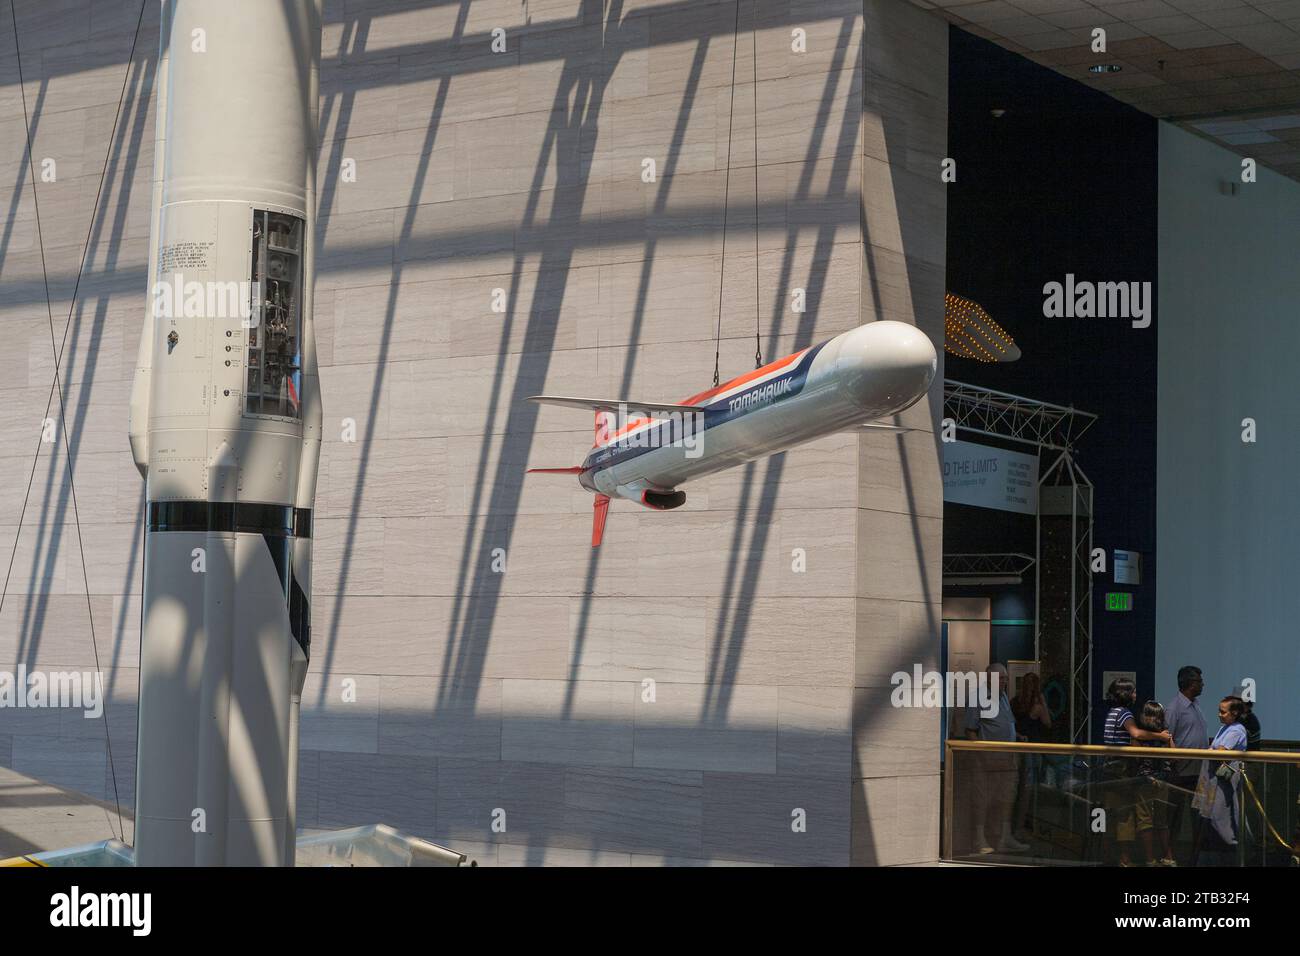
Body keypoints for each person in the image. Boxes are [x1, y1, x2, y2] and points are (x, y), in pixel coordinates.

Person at [1101, 678, 1172, 866]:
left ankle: (1118, 857)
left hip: (1110, 769)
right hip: (1121, 771)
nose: (1135, 695)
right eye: (1132, 692)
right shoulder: (1124, 714)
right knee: (1125, 815)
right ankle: (1126, 859)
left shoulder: (1112, 712)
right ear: (1125, 694)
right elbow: (1136, 734)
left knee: (1117, 814)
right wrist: (1161, 736)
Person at [964, 663, 1028, 855]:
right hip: (986, 761)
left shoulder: (1002, 697)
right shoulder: (978, 697)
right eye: (1002, 678)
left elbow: (1005, 724)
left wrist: (1017, 736)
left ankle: (1004, 837)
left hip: (1007, 760)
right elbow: (970, 730)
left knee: (1006, 798)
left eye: (1006, 678)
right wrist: (983, 755)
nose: (1006, 681)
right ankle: (979, 838)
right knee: (982, 799)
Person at [1191, 696, 1249, 863]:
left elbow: (1220, 751)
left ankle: (1227, 854)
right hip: (1215, 780)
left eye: (1223, 712)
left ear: (1235, 713)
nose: (1219, 715)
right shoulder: (1225, 728)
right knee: (1213, 815)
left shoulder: (1236, 730)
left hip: (1225, 781)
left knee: (1223, 816)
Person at [1165, 665, 1208, 861]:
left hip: (1198, 773)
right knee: (1173, 818)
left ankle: (1194, 860)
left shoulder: (1196, 704)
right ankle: (1169, 857)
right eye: (1199, 681)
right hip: (1180, 774)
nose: (1203, 684)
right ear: (1190, 683)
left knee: (1197, 820)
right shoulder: (1174, 708)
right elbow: (1166, 737)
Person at [1135, 701, 1176, 866]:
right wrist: (1165, 738)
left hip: (1145, 781)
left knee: (1146, 820)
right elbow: (1173, 757)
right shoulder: (1162, 734)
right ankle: (1168, 857)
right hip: (1160, 781)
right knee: (1161, 821)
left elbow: (1136, 757)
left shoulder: (1140, 734)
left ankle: (1150, 859)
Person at [1010, 672, 1051, 839]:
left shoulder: (1014, 702)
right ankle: (1022, 826)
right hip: (1032, 750)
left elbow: (1012, 724)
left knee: (1018, 788)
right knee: (1029, 789)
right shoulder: (1037, 707)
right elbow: (1048, 723)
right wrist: (1043, 702)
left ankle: (1014, 824)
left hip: (1016, 749)